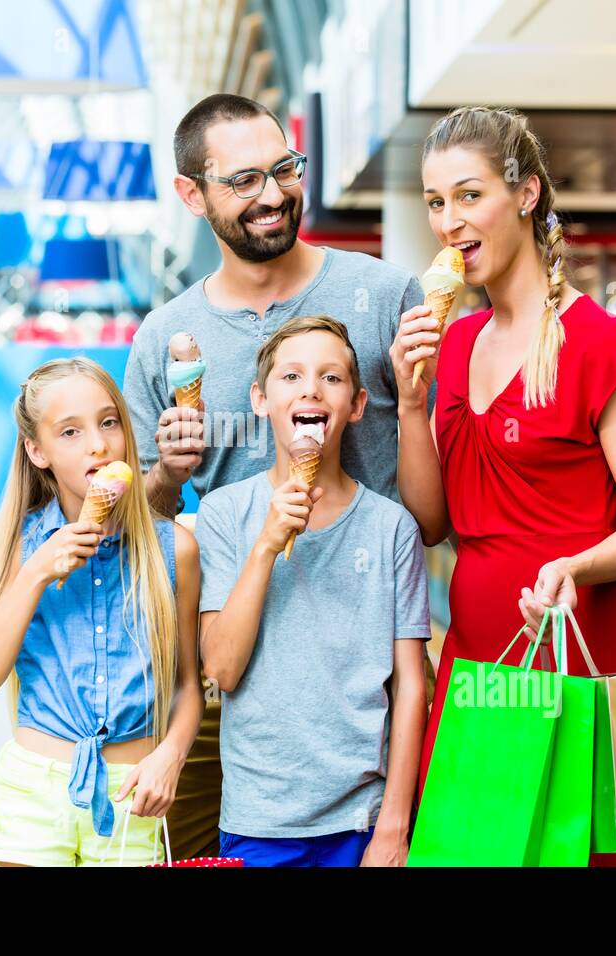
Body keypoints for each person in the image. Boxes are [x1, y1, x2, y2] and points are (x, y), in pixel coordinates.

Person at [122, 92, 428, 858]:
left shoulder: (386, 298)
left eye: (285, 170)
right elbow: (138, 520)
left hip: (366, 684)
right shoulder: (165, 338)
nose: (273, 195)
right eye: (244, 180)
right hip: (232, 687)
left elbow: (431, 505)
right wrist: (166, 474)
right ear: (192, 194)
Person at [391, 107, 616, 866]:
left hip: (592, 655)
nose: (448, 221)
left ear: (526, 195)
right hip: (481, 659)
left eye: (469, 195)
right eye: (434, 202)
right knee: (473, 851)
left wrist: (575, 567)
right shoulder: (451, 345)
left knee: (594, 856)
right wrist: (412, 401)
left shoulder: (604, 345)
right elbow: (431, 522)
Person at [196, 316, 429, 866]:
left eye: (331, 378)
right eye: (291, 376)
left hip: (363, 821)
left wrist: (394, 827)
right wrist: (266, 547)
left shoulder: (392, 528)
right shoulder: (225, 514)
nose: (310, 389)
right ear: (259, 399)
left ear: (356, 404)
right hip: (259, 818)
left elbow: (411, 687)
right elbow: (222, 669)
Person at [0, 358, 203, 866]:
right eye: (70, 431)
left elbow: (186, 686)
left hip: (131, 793)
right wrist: (37, 572)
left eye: (108, 422)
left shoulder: (172, 551)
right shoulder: (20, 548)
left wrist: (170, 757)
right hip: (34, 790)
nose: (98, 443)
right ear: (36, 451)